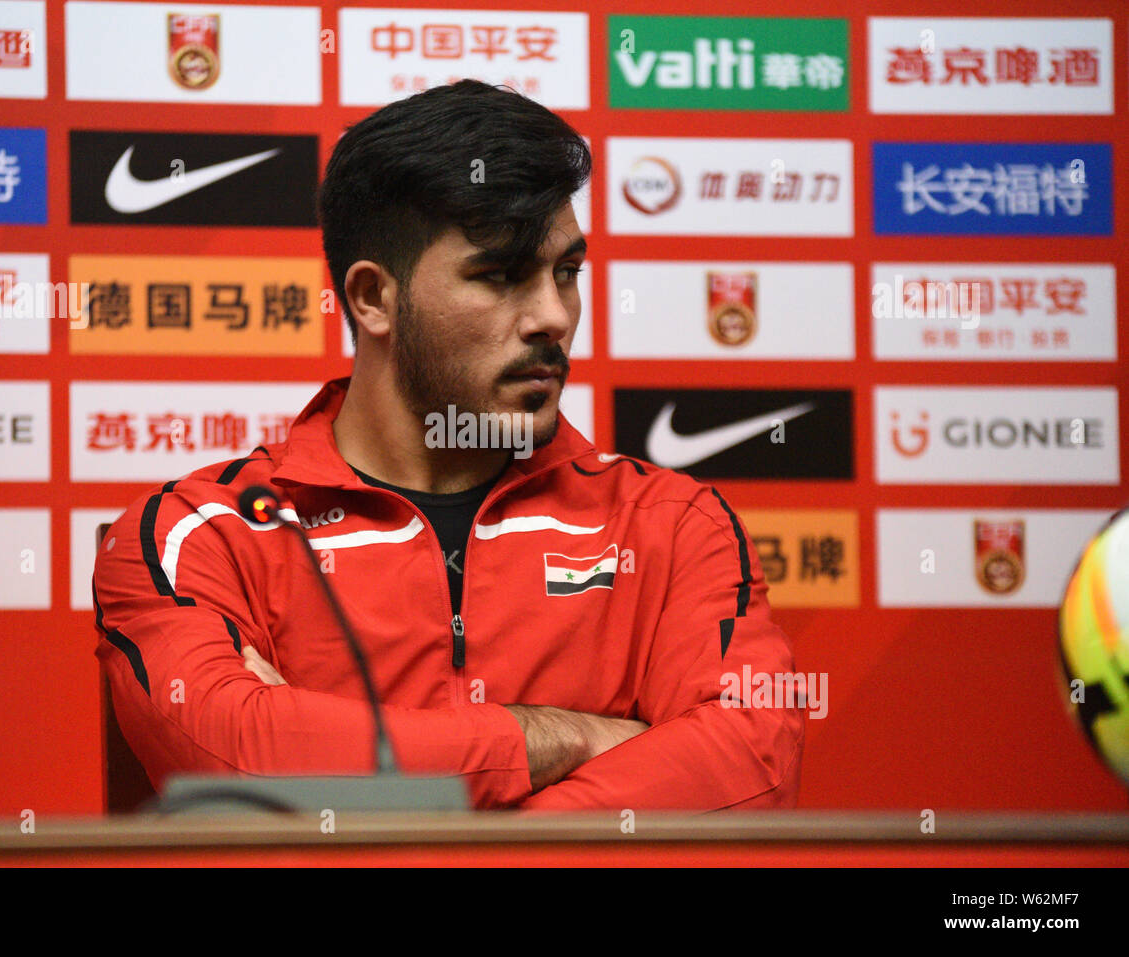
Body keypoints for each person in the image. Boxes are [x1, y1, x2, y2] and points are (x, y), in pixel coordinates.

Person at [93, 80, 804, 810]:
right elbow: (242, 759)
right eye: (499, 275)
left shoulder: (672, 524)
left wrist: (390, 800)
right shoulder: (207, 534)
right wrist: (566, 738)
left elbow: (753, 753)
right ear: (373, 297)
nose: (553, 317)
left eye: (566, 272)